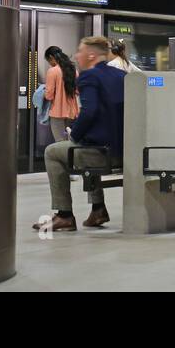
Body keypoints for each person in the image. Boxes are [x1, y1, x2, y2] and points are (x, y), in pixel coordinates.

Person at [33, 36, 126, 232]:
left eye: (80, 51)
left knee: (52, 152)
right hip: (121, 152)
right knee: (83, 149)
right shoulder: (121, 76)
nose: (76, 55)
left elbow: (89, 111)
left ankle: (64, 214)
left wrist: (74, 135)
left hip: (101, 154)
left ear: (91, 55)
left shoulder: (89, 76)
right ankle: (97, 209)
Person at [43, 46, 79, 144]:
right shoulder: (73, 70)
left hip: (57, 112)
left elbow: (49, 95)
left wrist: (43, 91)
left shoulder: (52, 71)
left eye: (48, 61)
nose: (49, 64)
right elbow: (77, 91)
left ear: (51, 57)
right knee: (69, 141)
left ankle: (62, 160)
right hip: (72, 112)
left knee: (60, 143)